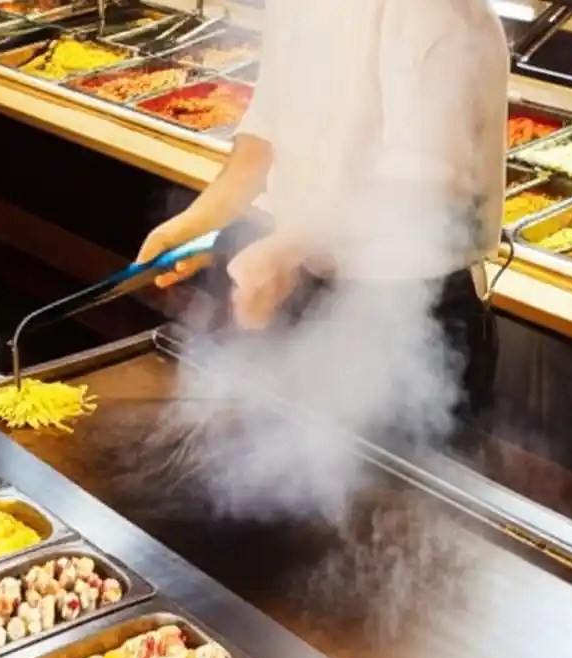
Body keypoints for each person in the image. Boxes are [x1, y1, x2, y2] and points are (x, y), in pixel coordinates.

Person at [138, 0, 510, 434]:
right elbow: (265, 132)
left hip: (410, 317)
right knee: (298, 478)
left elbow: (425, 183)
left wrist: (285, 246)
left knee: (395, 500)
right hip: (312, 295)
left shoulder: (435, 10)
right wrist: (194, 223)